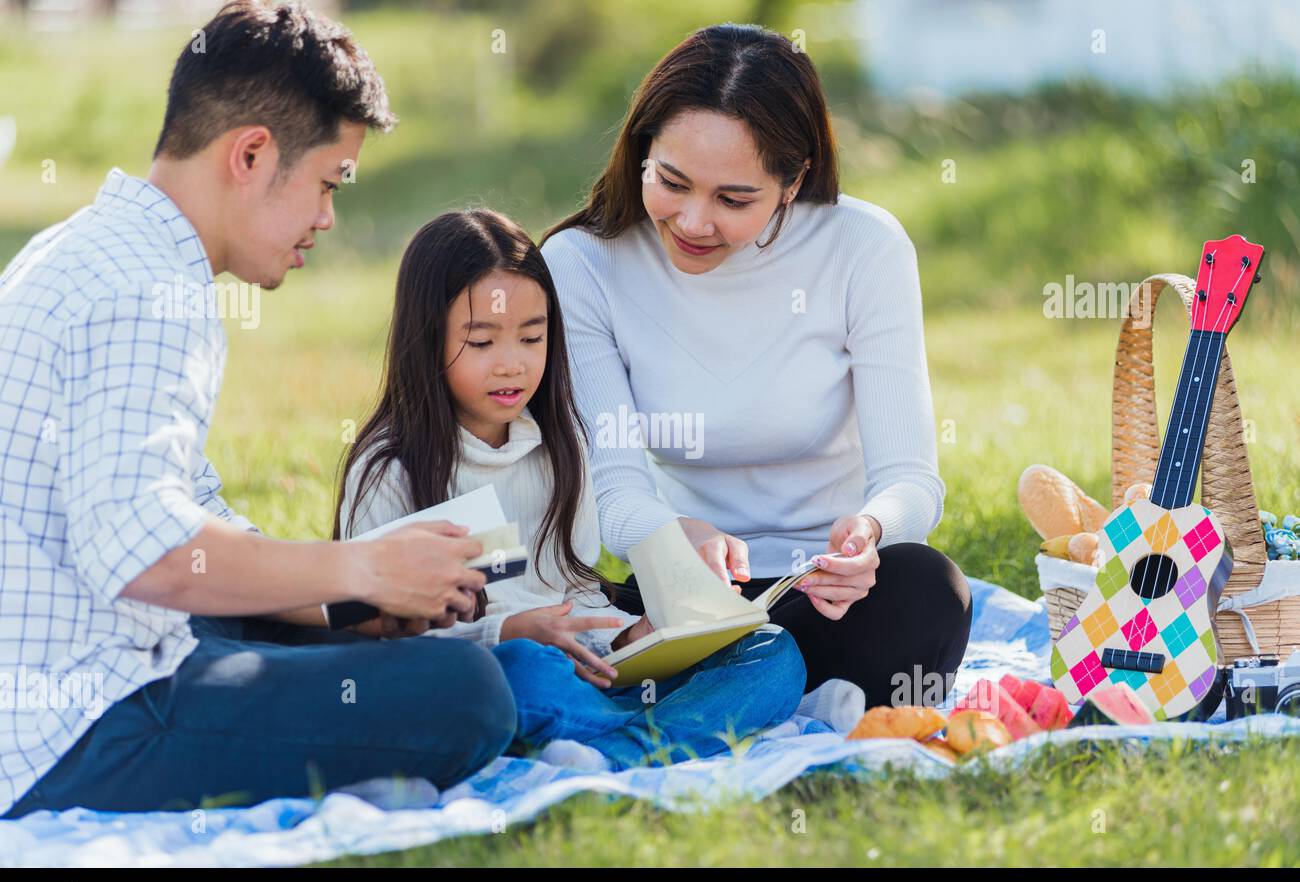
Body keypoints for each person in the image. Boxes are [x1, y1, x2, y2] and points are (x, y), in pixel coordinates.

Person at [0, 1, 515, 818]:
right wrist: (361, 568)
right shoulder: (150, 293)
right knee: (469, 690)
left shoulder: (83, 248)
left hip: (75, 661)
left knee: (348, 637)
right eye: (326, 183)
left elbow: (186, 523)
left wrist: (345, 606)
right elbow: (148, 554)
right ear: (250, 154)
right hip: (79, 726)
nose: (327, 217)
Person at [540, 23, 972, 710]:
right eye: (671, 182)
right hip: (679, 593)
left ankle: (726, 685)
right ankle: (766, 687)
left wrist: (871, 534)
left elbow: (910, 478)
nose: (691, 220)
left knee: (926, 590)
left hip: (826, 597)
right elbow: (615, 487)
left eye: (732, 199)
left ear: (793, 180)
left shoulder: (865, 249)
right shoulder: (584, 263)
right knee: (543, 617)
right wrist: (672, 543)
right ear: (640, 150)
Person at [335, 209, 806, 771]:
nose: (512, 364)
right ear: (425, 337)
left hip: (586, 679)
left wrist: (637, 638)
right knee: (526, 671)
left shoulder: (560, 447)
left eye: (532, 338)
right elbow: (382, 638)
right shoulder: (390, 467)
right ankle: (652, 741)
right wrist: (509, 630)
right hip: (485, 678)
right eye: (481, 342)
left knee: (773, 653)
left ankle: (617, 747)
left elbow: (576, 592)